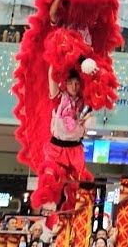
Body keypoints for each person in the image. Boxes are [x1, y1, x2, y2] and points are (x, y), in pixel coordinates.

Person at [34, 71, 93, 214]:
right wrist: (55, 60)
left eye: (77, 83)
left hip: (75, 149)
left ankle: (72, 214)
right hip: (57, 147)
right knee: (50, 176)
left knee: (77, 186)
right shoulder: (58, 98)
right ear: (65, 84)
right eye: (71, 83)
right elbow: (52, 75)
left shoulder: (85, 102)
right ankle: (48, 207)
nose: (74, 86)